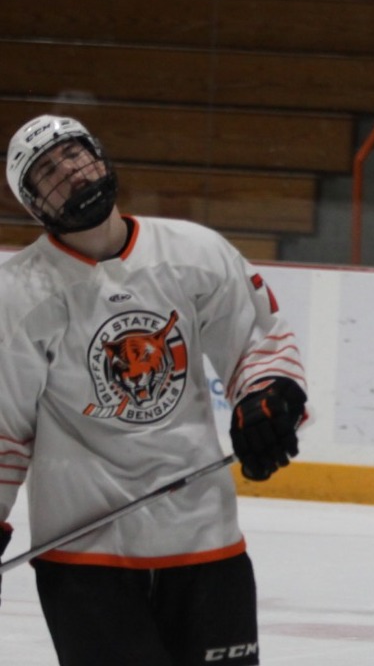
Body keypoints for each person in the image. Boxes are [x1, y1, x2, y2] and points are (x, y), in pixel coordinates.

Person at [0, 115, 308, 665]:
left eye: (73, 155)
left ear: (98, 155)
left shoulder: (194, 252)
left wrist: (265, 399)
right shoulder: (18, 294)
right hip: (83, 556)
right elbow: (5, 428)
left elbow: (257, 344)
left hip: (204, 540)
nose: (68, 173)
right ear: (34, 205)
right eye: (46, 171)